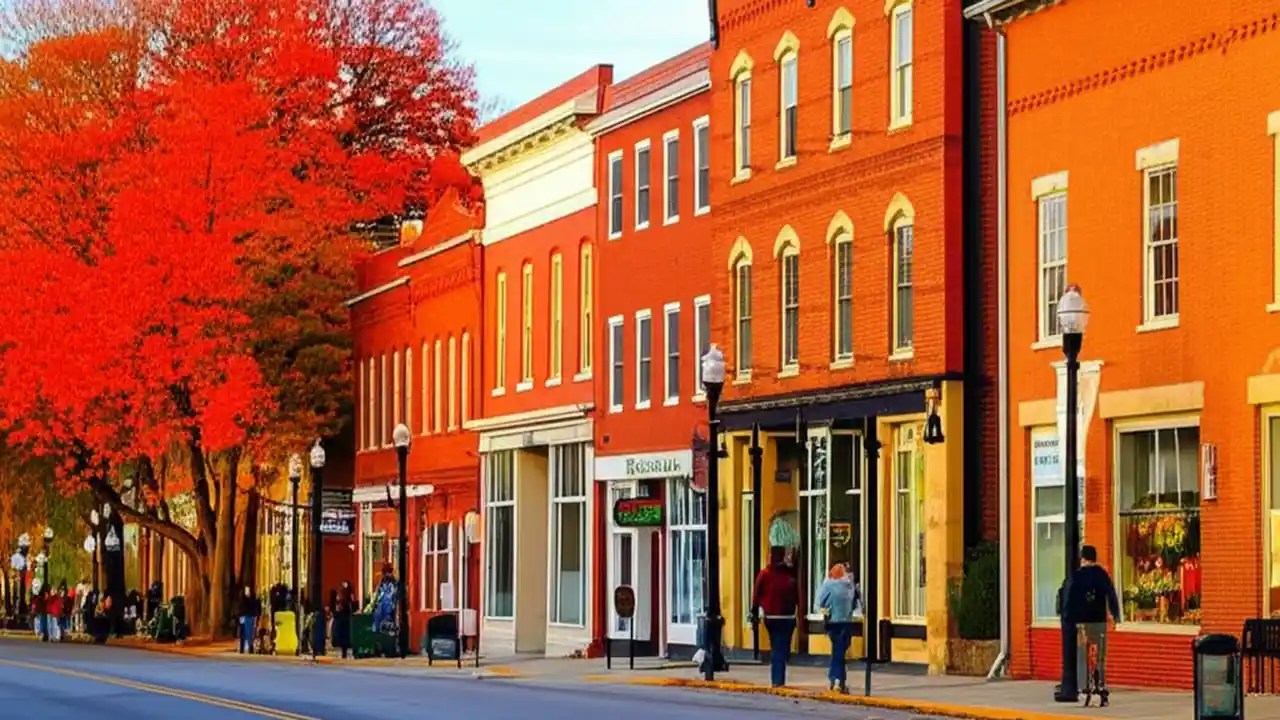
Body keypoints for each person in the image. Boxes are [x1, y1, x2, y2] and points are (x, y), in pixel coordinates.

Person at [1065, 545, 1121, 692]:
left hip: (1081, 621)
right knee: (1100, 654)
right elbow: (1111, 594)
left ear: (1082, 558)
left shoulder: (1077, 575)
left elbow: (1070, 597)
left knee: (1082, 653)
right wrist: (1115, 614)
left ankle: (1083, 684)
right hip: (1098, 620)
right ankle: (1100, 682)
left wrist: (1068, 617)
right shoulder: (1102, 574)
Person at [752, 546, 798, 688]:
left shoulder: (765, 574)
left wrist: (755, 610)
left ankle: (777, 679)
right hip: (787, 616)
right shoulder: (789, 575)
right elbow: (796, 595)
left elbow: (756, 595)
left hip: (772, 616)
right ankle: (779, 678)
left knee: (776, 647)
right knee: (782, 648)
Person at [818, 563, 859, 694]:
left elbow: (820, 601)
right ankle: (838, 681)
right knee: (840, 652)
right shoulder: (850, 586)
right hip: (846, 621)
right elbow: (857, 602)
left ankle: (836, 680)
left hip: (833, 621)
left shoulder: (828, 585)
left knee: (837, 652)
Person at [236, 586, 262, 654]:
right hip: (248, 616)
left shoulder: (243, 598)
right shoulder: (250, 599)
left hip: (244, 616)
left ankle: (244, 648)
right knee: (249, 632)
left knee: (245, 632)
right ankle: (249, 647)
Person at [332, 581, 354, 659]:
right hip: (344, 616)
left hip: (344, 616)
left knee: (344, 635)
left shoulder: (343, 597)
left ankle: (344, 651)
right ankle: (344, 651)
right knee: (344, 635)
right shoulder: (343, 597)